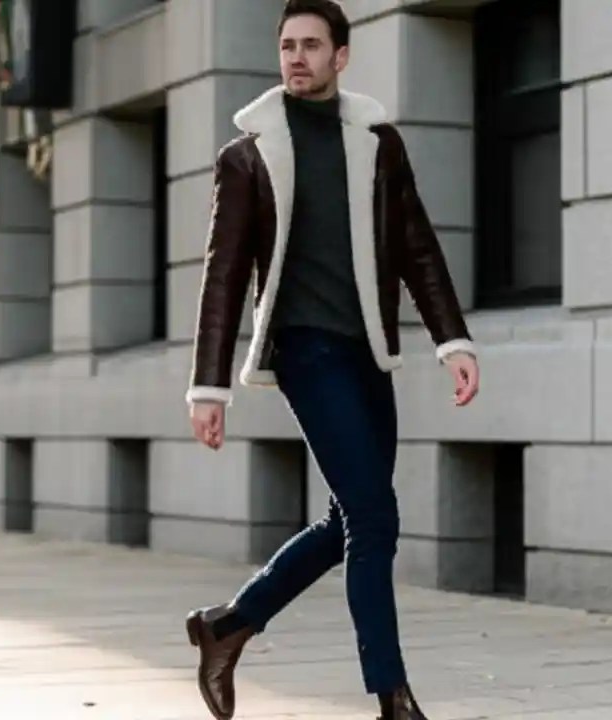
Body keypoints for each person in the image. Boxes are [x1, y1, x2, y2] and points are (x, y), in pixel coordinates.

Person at [182, 1, 479, 718]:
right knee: (374, 520)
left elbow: (416, 245)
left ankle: (229, 625)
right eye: (287, 46)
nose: (296, 57)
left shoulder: (376, 141)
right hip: (305, 351)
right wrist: (209, 387)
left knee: (349, 519)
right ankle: (393, 697)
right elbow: (222, 275)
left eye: (312, 46)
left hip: (369, 352)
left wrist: (452, 340)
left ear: (341, 56)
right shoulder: (248, 157)